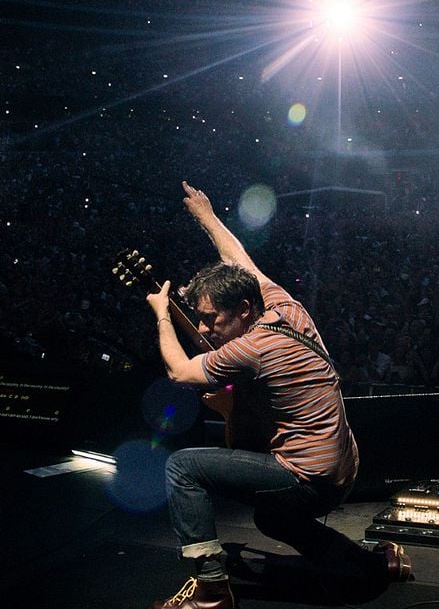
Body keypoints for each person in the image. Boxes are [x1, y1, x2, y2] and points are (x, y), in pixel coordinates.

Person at [144, 181, 411, 608]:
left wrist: (162, 316)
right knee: (272, 519)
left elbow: (178, 372)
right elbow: (240, 260)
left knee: (182, 467)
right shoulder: (286, 308)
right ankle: (373, 566)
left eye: (213, 320)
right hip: (342, 467)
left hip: (307, 477)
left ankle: (212, 591)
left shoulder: (252, 348)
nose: (207, 330)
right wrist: (207, 217)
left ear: (244, 311)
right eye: (201, 321)